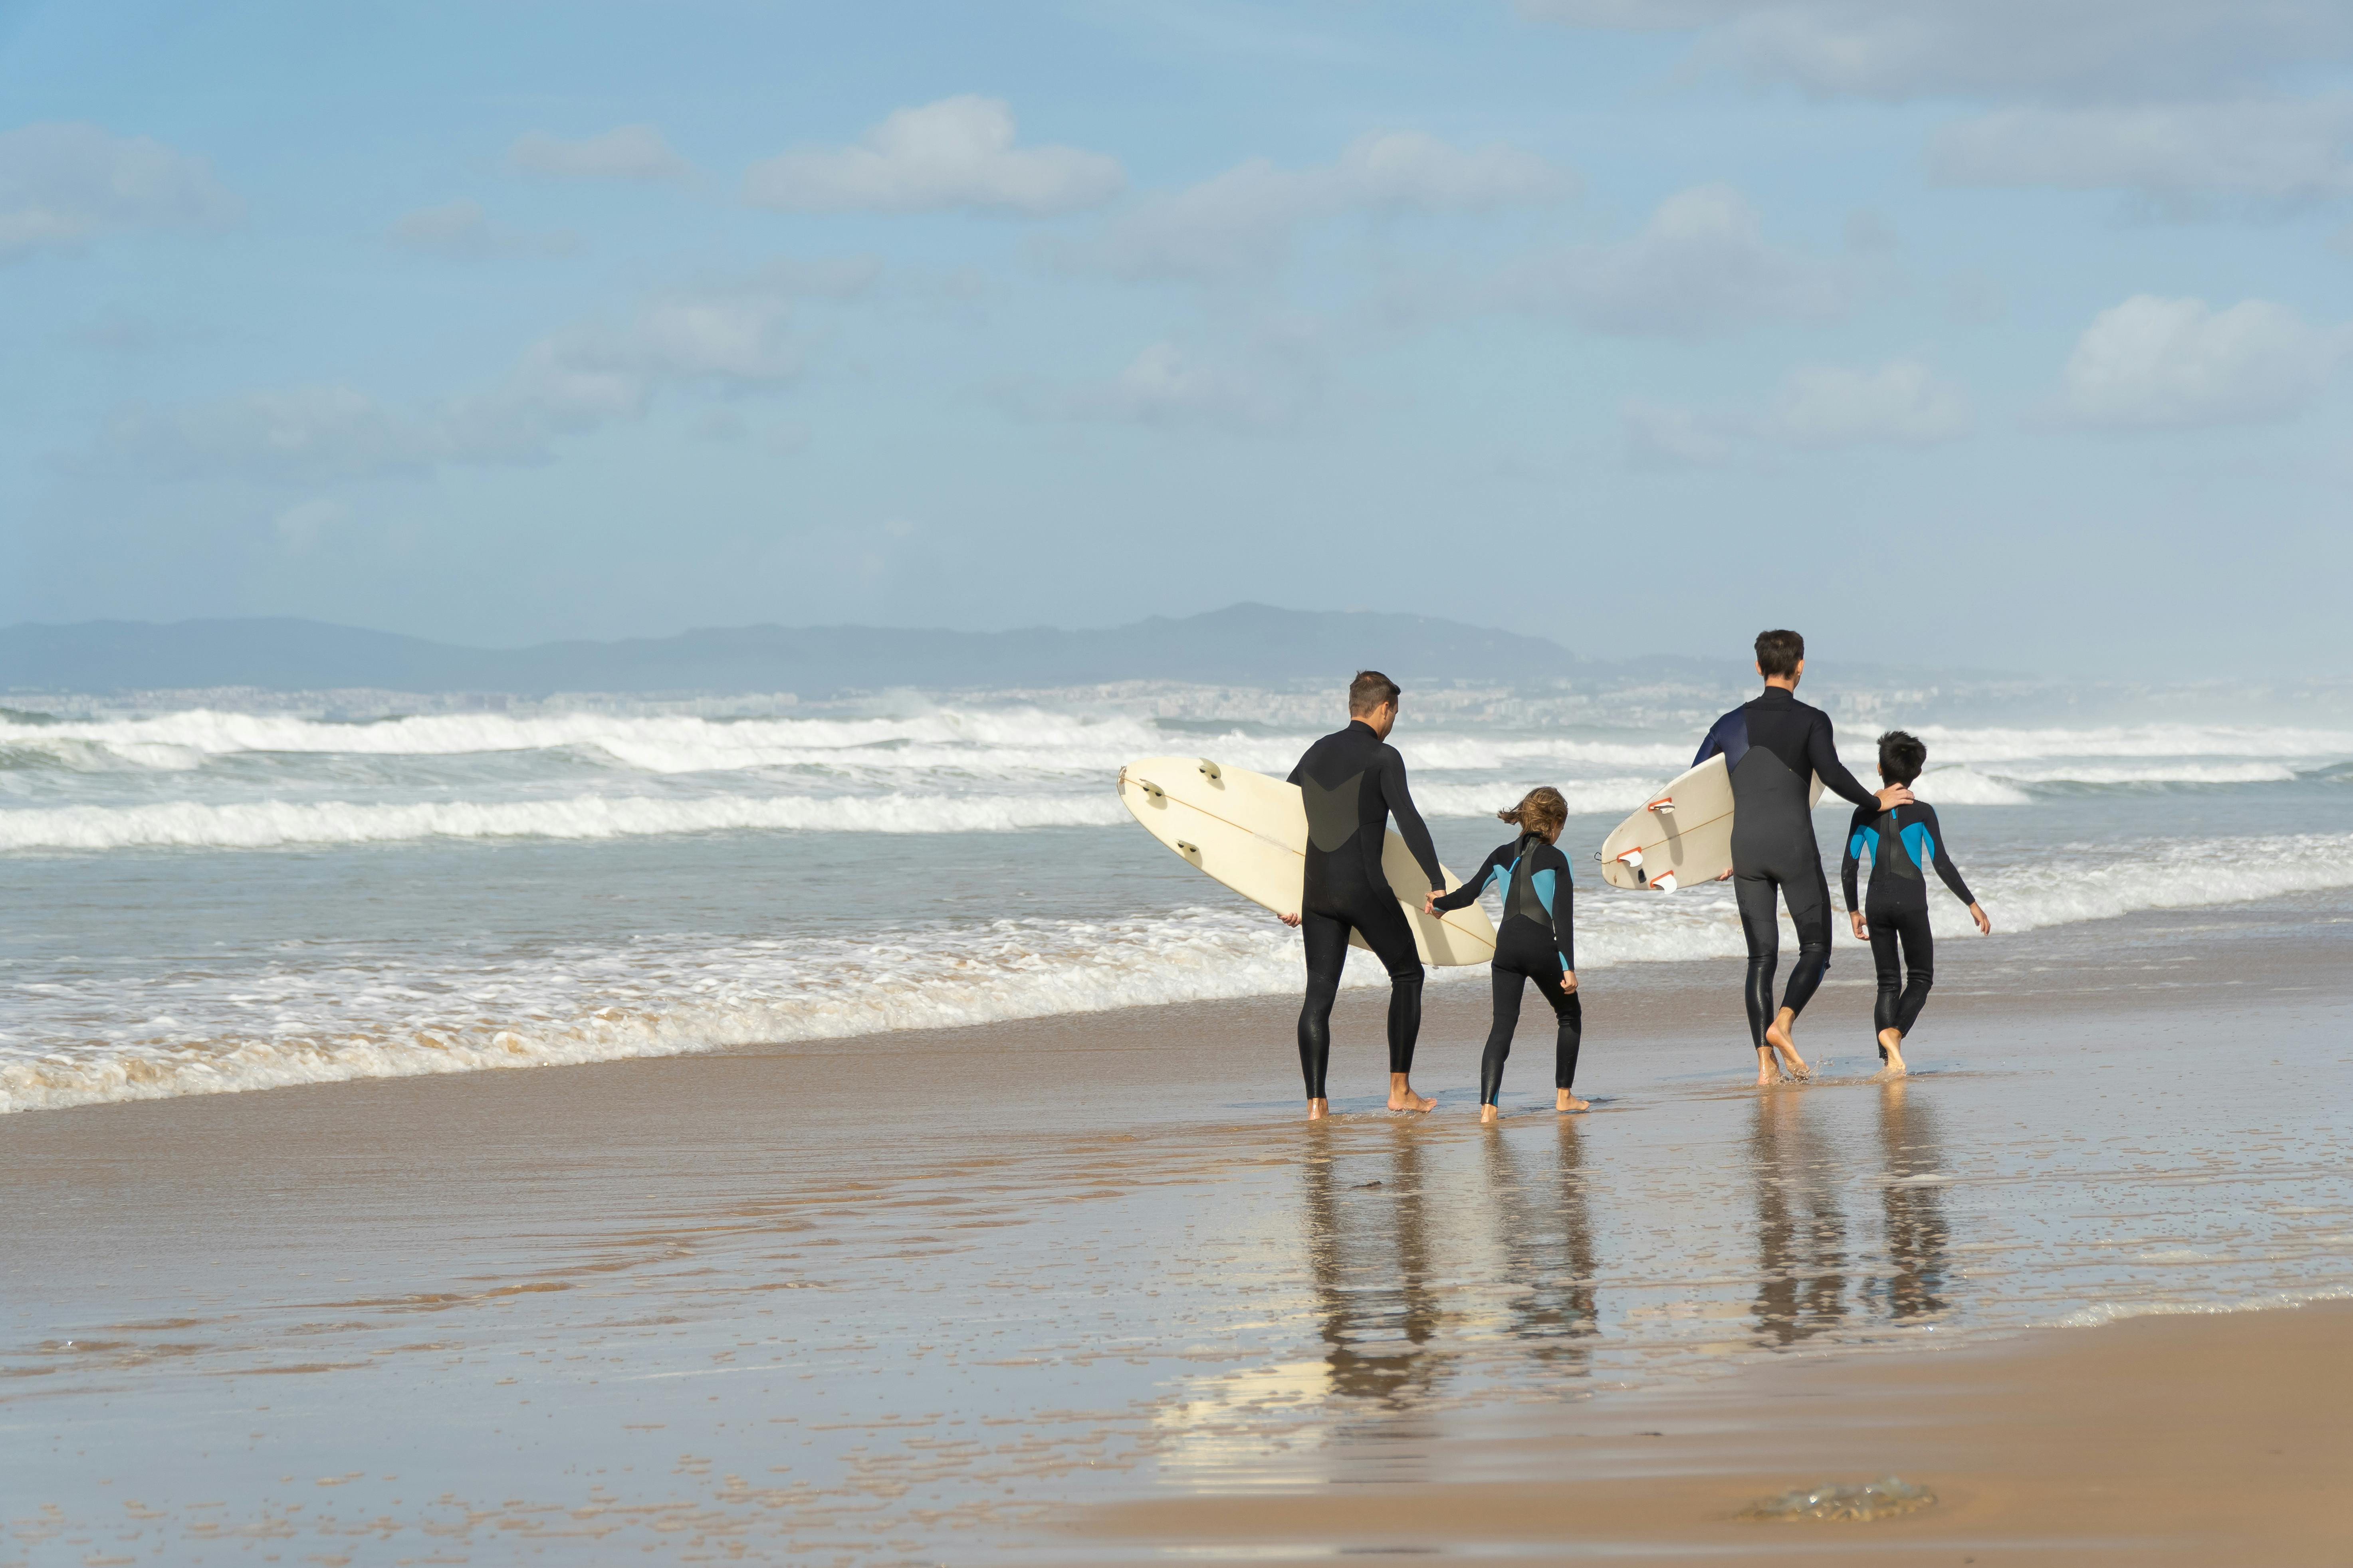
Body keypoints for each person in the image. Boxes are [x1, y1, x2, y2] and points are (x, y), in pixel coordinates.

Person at [1693, 630, 1913, 1085]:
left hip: (1745, 850)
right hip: (1792, 847)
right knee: (1815, 949)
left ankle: (1764, 1066)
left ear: (1758, 667)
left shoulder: (1726, 724)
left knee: (1760, 958)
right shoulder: (1813, 720)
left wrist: (1713, 854)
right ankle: (1783, 1022)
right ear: (1801, 666)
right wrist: (1875, 801)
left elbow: (1697, 790)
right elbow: (1831, 773)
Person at [1281, 670, 1445, 1120]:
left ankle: (1316, 1105)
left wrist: (1283, 893)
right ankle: (1400, 1091)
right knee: (1407, 975)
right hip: (1364, 888)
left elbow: (1283, 815)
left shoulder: (1316, 751)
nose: (1393, 723)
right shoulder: (1383, 756)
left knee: (1318, 997)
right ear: (1384, 708)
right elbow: (1408, 820)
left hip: (1316, 894)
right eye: (1395, 714)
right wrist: (1436, 881)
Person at [1427, 787, 1583, 1123]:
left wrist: (1439, 904)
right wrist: (1568, 967)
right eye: (1561, 826)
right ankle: (1564, 1096)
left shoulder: (1499, 854)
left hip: (1506, 949)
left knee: (1502, 1025)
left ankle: (1488, 1109)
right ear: (1554, 822)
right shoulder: (1558, 859)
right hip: (1540, 947)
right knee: (1569, 1014)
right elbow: (1562, 918)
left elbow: (1468, 894)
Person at [1842, 730, 1992, 1077]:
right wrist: (1971, 903)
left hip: (1876, 903)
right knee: (1921, 978)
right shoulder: (1923, 812)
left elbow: (1849, 866)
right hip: (1911, 901)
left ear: (1879, 769)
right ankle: (1894, 1034)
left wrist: (1853, 911)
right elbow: (1941, 862)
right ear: (1918, 772)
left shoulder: (1862, 813)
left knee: (1887, 983)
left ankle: (1888, 1062)